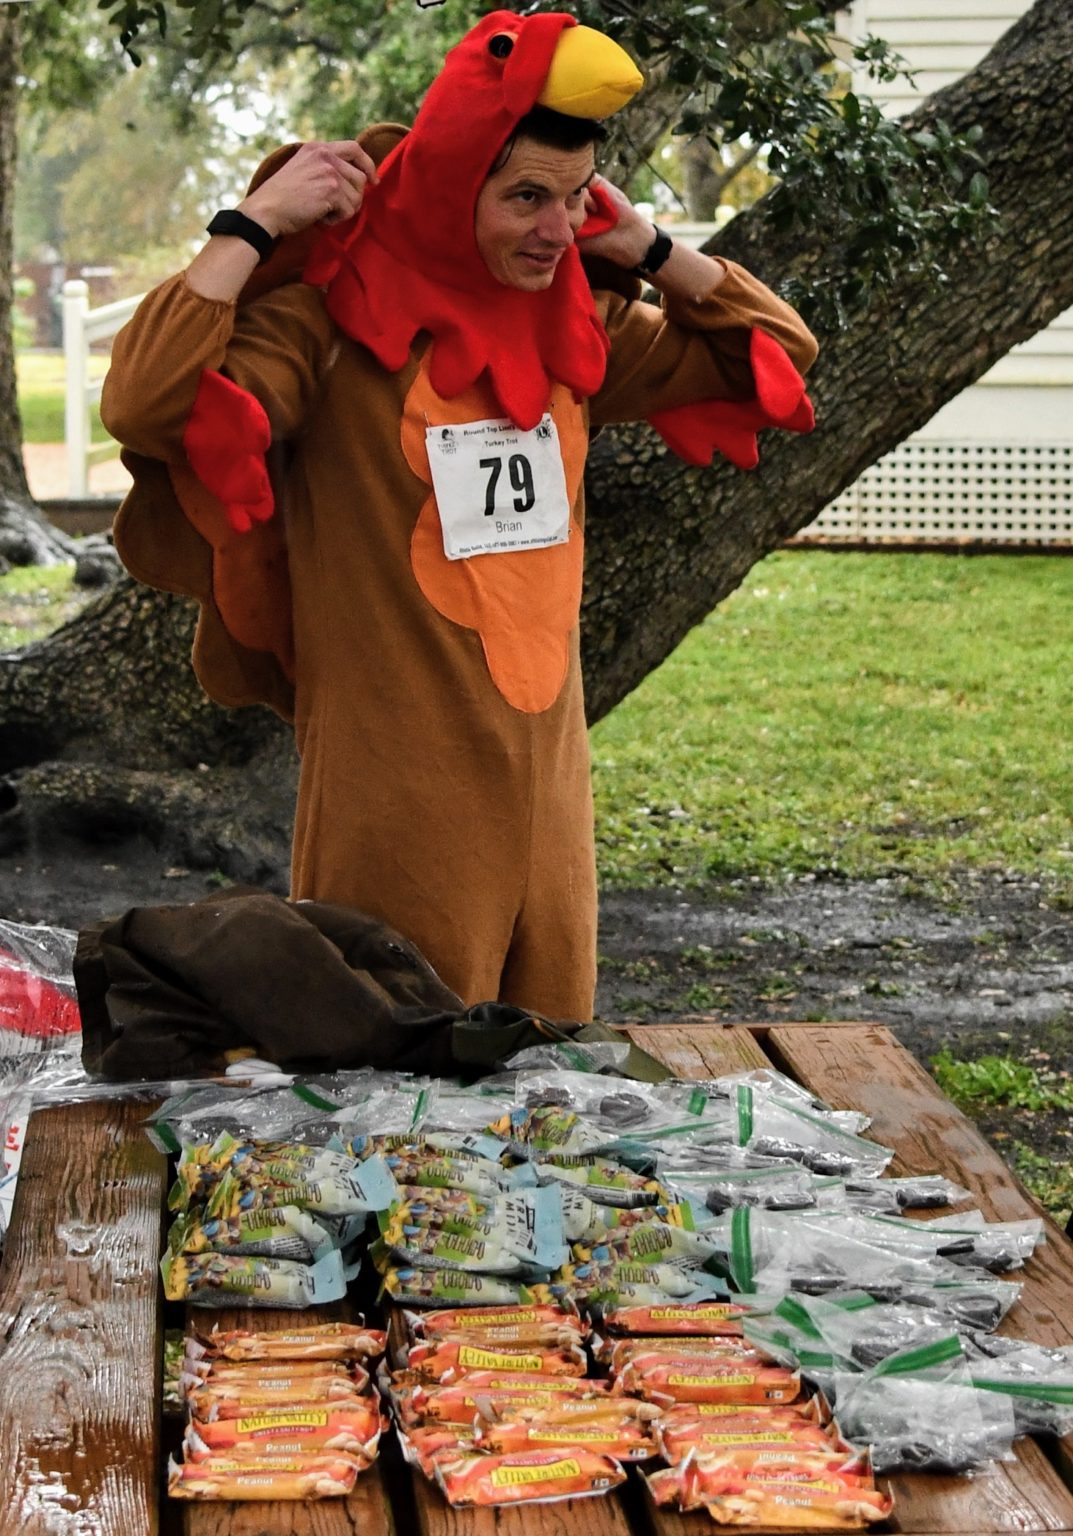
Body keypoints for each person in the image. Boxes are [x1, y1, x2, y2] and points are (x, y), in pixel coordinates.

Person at [102, 11, 817, 1022]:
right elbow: (147, 400)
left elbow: (776, 355)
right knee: (396, 1097)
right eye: (525, 196)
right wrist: (253, 223)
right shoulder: (328, 326)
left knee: (544, 1089)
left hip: (550, 797)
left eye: (572, 200)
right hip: (396, 797)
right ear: (446, 183)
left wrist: (651, 246)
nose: (554, 228)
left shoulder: (577, 323)